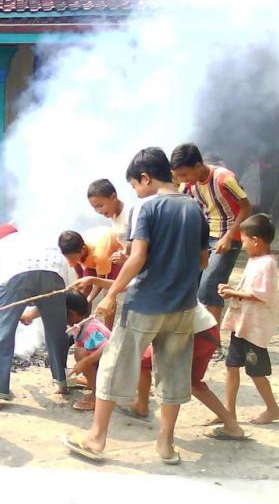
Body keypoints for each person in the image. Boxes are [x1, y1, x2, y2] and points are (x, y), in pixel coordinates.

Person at [64, 147, 209, 465]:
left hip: (145, 303)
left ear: (145, 178)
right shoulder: (195, 209)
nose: (135, 191)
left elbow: (137, 258)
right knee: (173, 375)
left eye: (134, 185)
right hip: (183, 305)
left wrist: (112, 293)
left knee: (113, 366)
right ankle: (166, 445)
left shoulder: (145, 208)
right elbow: (202, 260)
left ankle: (97, 438)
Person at [80, 275, 247, 440]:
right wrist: (95, 281)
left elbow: (122, 342)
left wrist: (88, 360)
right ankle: (231, 425)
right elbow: (124, 284)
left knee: (157, 368)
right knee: (191, 382)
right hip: (204, 331)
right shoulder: (156, 275)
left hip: (195, 335)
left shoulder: (152, 281)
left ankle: (144, 410)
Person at [0, 224, 72, 410]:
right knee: (56, 330)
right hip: (54, 271)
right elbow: (62, 284)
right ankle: (61, 382)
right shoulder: (36, 240)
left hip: (15, 274)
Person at [171, 143, 252, 333]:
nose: (182, 180)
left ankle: (213, 342)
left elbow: (246, 207)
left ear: (198, 166)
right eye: (178, 176)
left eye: (184, 175)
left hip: (228, 236)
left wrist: (229, 237)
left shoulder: (224, 178)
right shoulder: (188, 185)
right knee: (193, 283)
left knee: (209, 286)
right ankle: (196, 334)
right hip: (205, 236)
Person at [217, 214, 279, 424]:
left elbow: (261, 294)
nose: (243, 246)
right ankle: (229, 412)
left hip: (255, 328)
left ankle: (273, 409)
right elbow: (249, 290)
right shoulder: (256, 261)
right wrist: (232, 290)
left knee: (256, 372)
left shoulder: (267, 264)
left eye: (244, 241)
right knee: (231, 366)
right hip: (242, 325)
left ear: (256, 240)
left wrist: (233, 294)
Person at [63, 291, 111, 411]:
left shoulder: (90, 329)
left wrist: (85, 362)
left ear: (71, 313)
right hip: (100, 362)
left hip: (112, 367)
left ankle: (97, 394)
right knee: (80, 352)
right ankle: (92, 381)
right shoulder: (79, 325)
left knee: (80, 353)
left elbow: (108, 348)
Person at [58, 228, 124, 304]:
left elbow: (99, 282)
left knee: (111, 290)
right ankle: (84, 313)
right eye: (69, 258)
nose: (71, 260)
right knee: (85, 286)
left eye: (73, 258)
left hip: (112, 252)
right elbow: (79, 275)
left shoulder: (99, 255)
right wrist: (76, 293)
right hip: (92, 253)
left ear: (83, 249)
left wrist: (87, 301)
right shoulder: (70, 253)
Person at [87, 179, 130, 246]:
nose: (98, 211)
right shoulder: (114, 216)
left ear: (113, 197)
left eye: (100, 206)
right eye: (94, 208)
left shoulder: (131, 214)